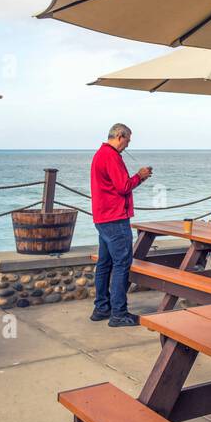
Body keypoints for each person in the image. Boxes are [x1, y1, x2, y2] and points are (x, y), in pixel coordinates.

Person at [90, 123, 151, 327]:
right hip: (114, 217)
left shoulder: (101, 154)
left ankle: (101, 307)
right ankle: (118, 313)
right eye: (128, 140)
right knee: (121, 264)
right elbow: (123, 186)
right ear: (120, 135)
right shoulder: (110, 156)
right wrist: (140, 176)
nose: (128, 144)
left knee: (105, 263)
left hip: (103, 217)